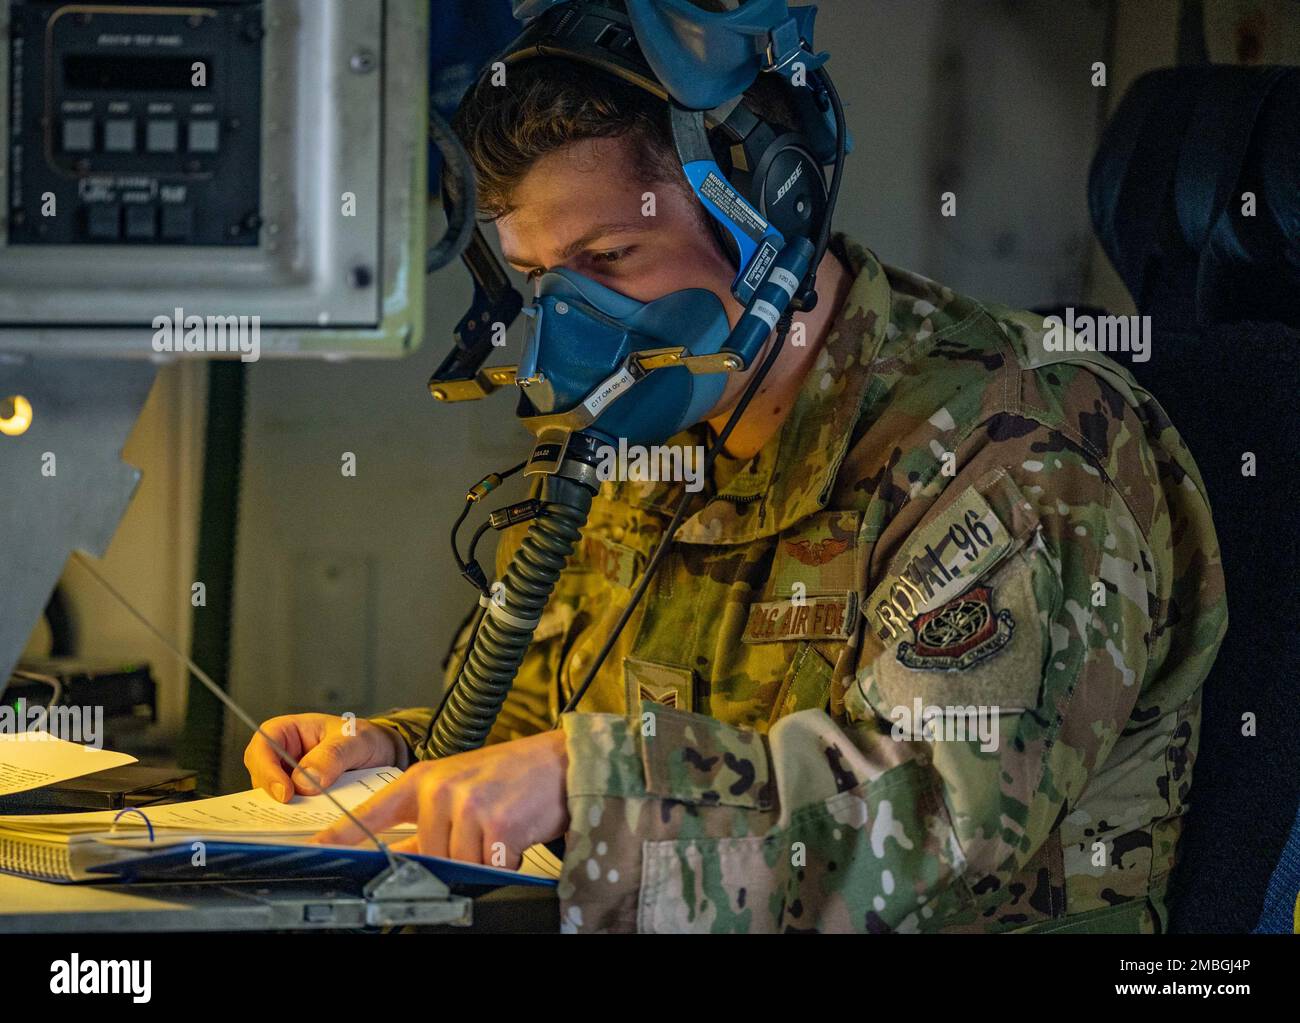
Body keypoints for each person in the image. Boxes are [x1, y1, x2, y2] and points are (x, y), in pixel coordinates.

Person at [242, 49, 1227, 933]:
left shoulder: (1012, 437)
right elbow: (541, 725)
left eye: (609, 261)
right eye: (540, 278)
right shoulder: (655, 431)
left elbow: (943, 830)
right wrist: (392, 759)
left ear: (772, 218)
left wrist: (586, 786)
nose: (575, 326)